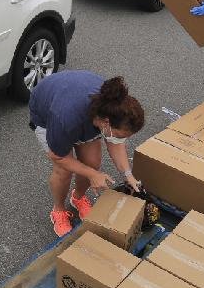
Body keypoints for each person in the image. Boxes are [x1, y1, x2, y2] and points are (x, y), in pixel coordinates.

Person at [29, 72, 145, 237]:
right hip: (48, 114)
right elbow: (58, 157)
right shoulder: (65, 118)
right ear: (106, 123)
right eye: (120, 135)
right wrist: (92, 175)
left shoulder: (113, 109)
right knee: (64, 171)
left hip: (80, 108)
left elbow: (116, 143)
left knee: (92, 162)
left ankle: (77, 197)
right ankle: (59, 210)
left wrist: (128, 175)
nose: (121, 140)